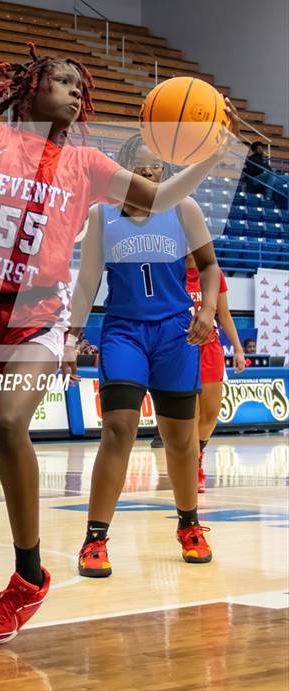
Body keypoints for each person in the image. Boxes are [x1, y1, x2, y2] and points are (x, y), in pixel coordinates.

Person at [0, 39, 240, 644]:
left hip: (38, 319)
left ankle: (28, 575)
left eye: (81, 84)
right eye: (62, 79)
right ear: (32, 87)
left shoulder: (89, 166)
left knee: (9, 422)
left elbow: (160, 198)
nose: (76, 89)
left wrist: (211, 153)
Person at [66, 135, 221, 577]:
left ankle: (189, 526)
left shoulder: (184, 208)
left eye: (158, 167)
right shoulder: (102, 216)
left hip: (176, 333)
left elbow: (210, 266)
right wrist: (71, 336)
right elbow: (87, 280)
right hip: (124, 332)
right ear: (125, 168)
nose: (151, 173)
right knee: (118, 430)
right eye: (143, 165)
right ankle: (95, 538)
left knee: (181, 439)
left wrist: (207, 310)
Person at [186, 254, 245, 492]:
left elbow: (225, 315)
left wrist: (238, 349)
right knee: (191, 416)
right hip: (183, 348)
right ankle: (190, 467)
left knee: (209, 417)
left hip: (210, 348)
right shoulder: (171, 273)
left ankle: (198, 454)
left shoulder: (212, 273)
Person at [243, 142, 288, 208]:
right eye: (259, 148)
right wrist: (263, 172)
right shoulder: (251, 159)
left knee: (286, 177)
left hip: (268, 179)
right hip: (255, 180)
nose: (261, 149)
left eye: (261, 148)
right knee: (271, 175)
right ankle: (268, 197)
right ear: (255, 150)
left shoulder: (264, 161)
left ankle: (282, 203)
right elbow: (249, 171)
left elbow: (270, 170)